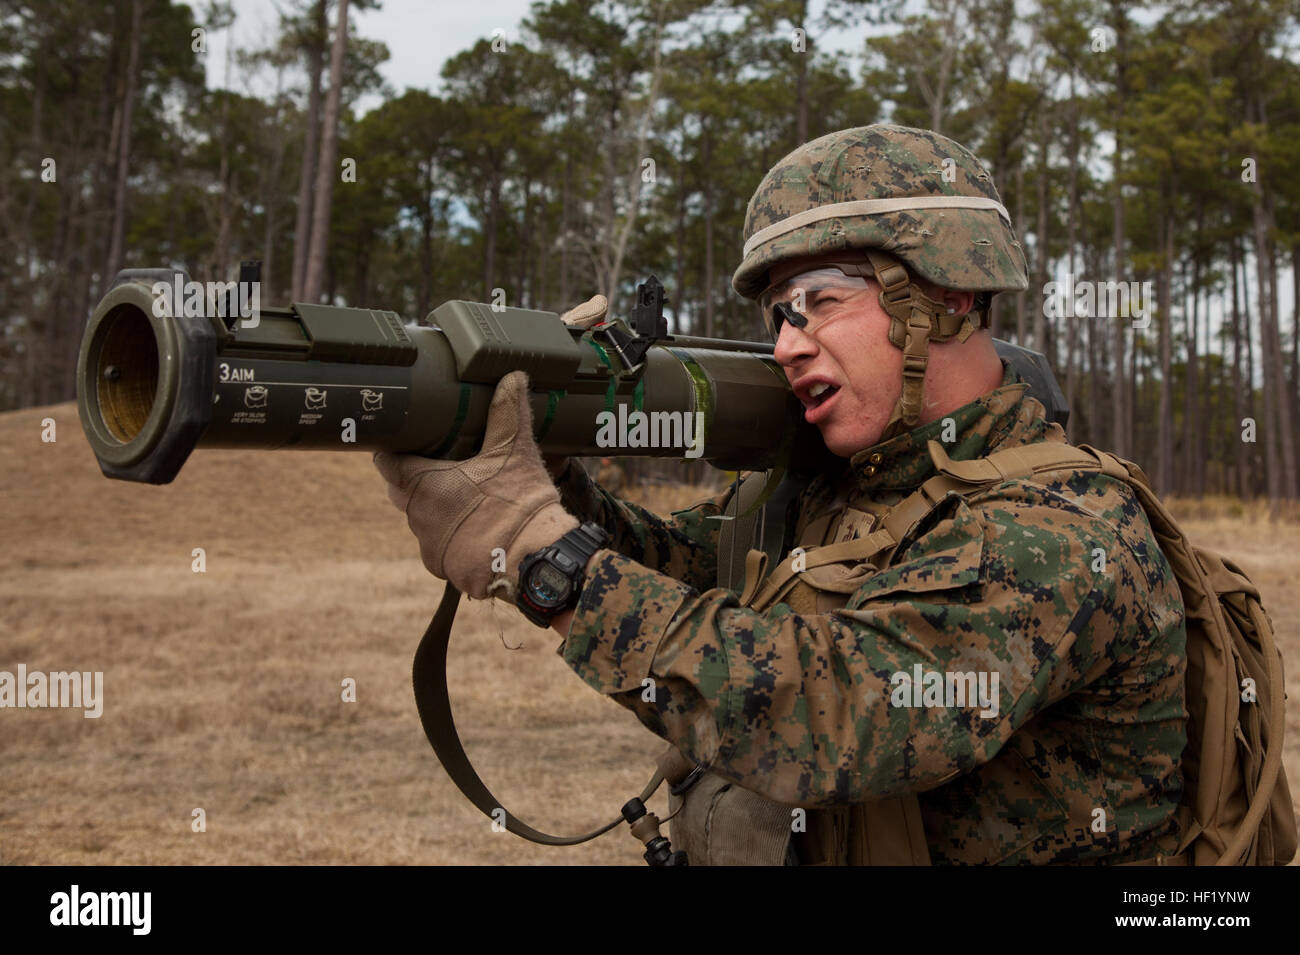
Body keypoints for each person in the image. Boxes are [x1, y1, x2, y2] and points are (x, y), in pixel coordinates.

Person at [373, 124, 1188, 865]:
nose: (789, 346)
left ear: (947, 296)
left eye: (821, 303)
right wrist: (548, 480)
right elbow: (680, 564)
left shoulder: (1057, 533)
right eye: (777, 317)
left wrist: (547, 558)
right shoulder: (844, 486)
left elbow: (834, 711)